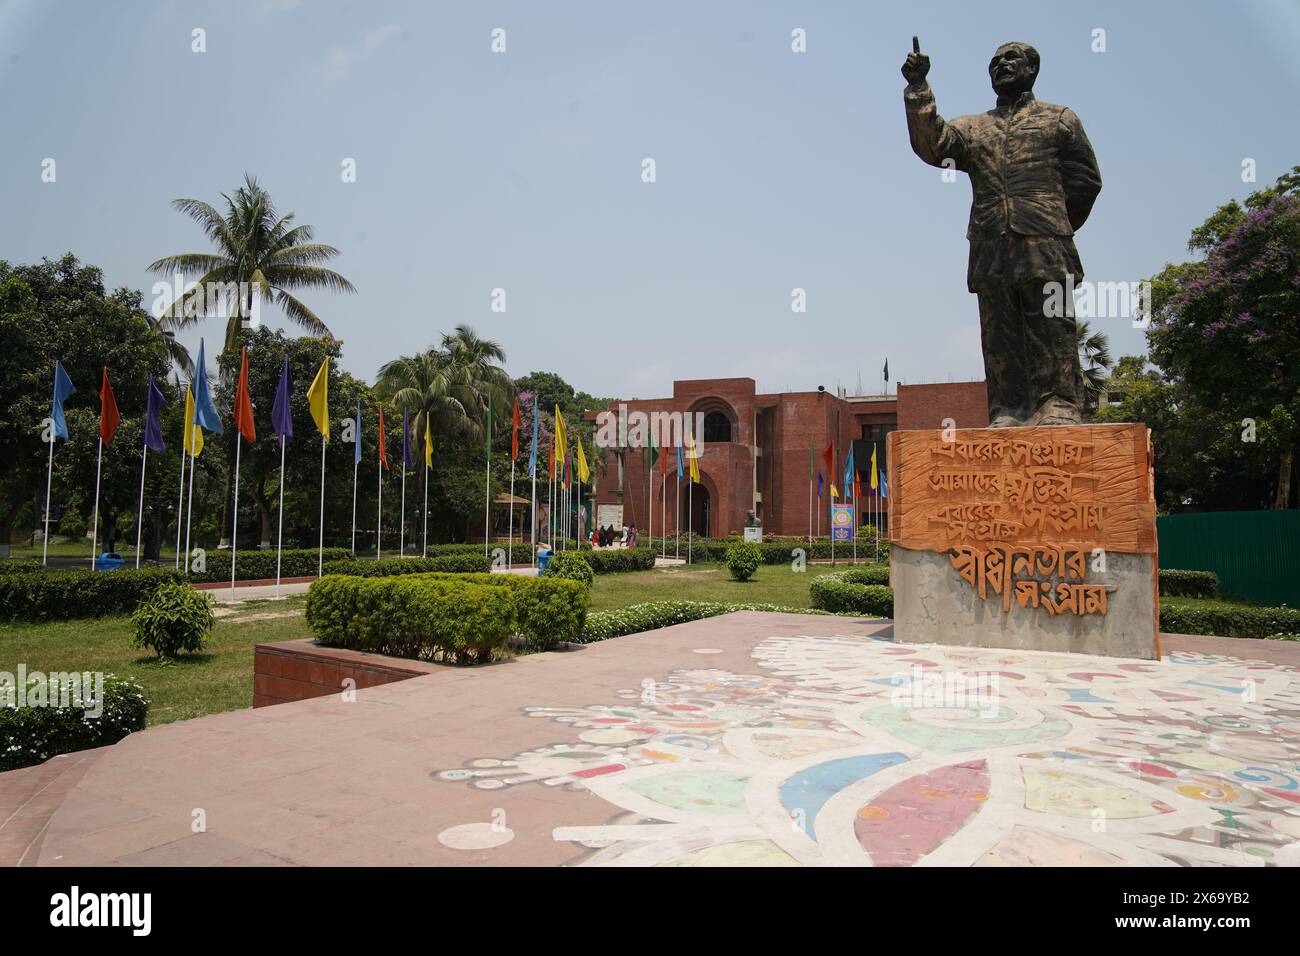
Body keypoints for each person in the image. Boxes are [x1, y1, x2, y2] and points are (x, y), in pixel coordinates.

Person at [902, 38, 1101, 427]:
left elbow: (1086, 181)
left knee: (1051, 327)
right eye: (994, 62)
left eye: (1011, 58)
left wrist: (1054, 221)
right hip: (991, 244)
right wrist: (919, 89)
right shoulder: (976, 128)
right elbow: (934, 144)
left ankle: (1058, 404)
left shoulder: (1059, 119)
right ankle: (1007, 409)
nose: (1001, 65)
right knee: (1000, 334)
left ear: (1032, 69)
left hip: (1045, 242)